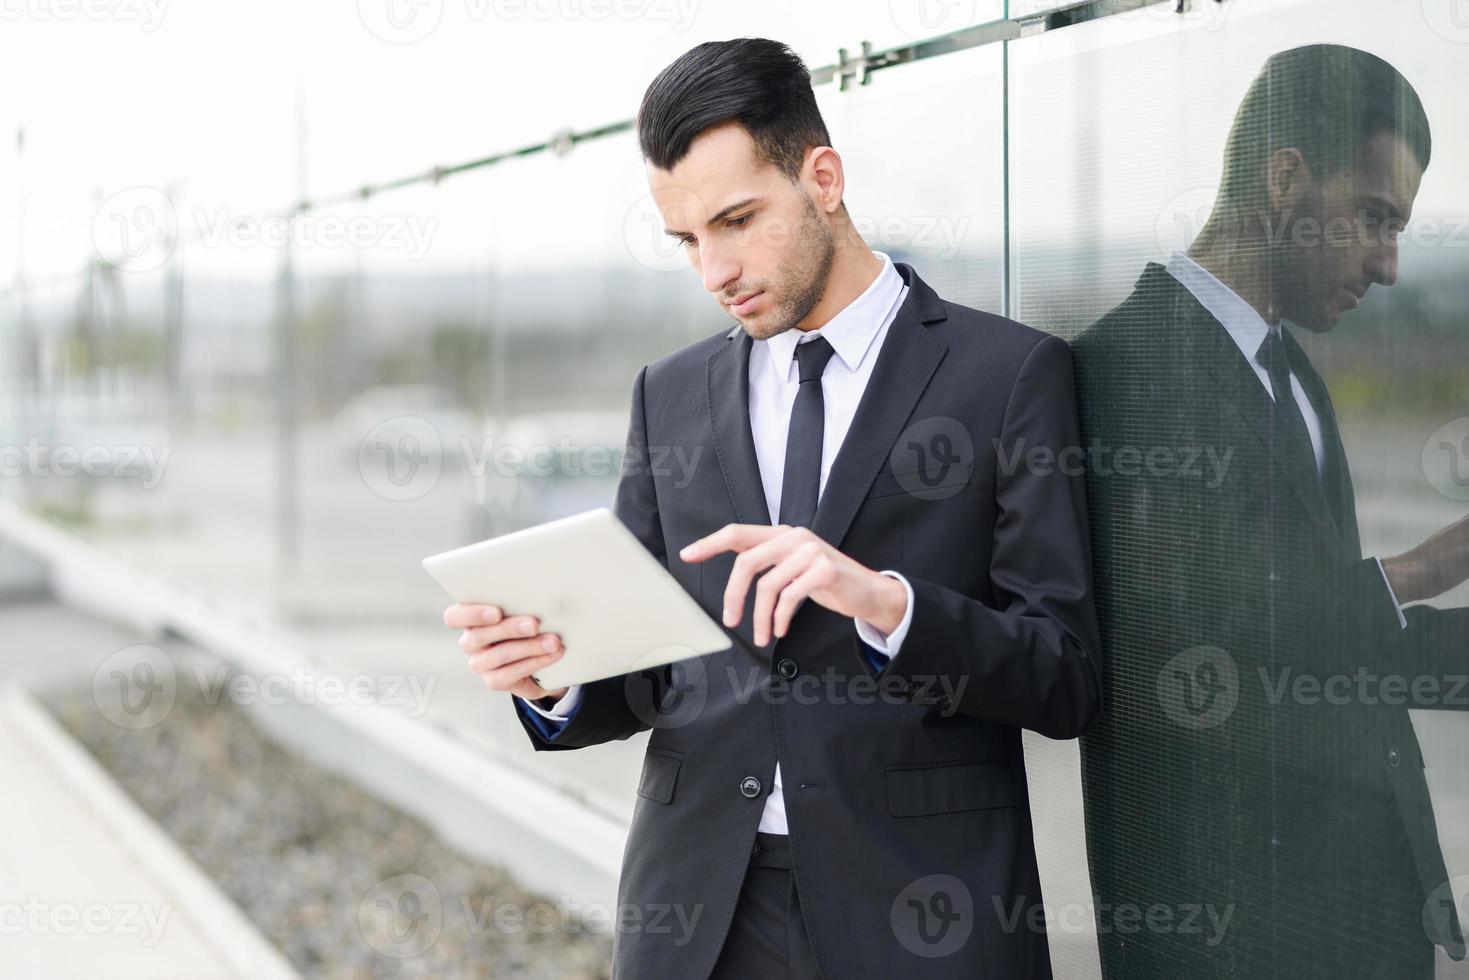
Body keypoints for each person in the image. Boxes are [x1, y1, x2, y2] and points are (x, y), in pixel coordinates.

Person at [444, 37, 1100, 979]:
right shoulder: (667, 396)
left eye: (738, 221)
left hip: (923, 909)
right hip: (700, 912)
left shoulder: (1008, 377)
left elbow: (1063, 675)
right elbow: (649, 671)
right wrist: (554, 675)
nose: (714, 270)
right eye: (688, 240)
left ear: (822, 178)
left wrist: (884, 602)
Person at [1074, 43, 1469, 979]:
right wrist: (1436, 559)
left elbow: (1331, 645)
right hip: (1232, 938)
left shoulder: (1290, 376)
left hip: (1352, 917)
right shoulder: (1124, 365)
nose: (1388, 263)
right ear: (1286, 178)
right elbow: (1206, 639)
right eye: (1375, 217)